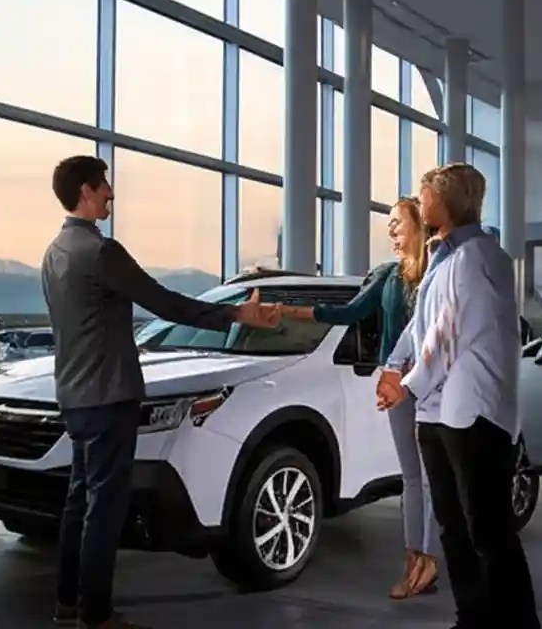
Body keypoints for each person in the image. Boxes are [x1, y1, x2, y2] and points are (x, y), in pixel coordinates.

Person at [42, 155, 281, 629]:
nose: (111, 192)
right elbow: (164, 303)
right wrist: (237, 316)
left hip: (73, 394)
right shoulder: (102, 252)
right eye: (105, 184)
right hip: (108, 395)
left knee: (78, 502)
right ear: (87, 192)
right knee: (104, 510)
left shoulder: (54, 252)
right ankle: (95, 614)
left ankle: (67, 603)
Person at [376, 163, 541, 629]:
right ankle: (472, 619)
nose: (419, 202)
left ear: (447, 201)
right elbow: (419, 326)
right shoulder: (443, 256)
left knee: (489, 531)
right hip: (438, 414)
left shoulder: (478, 256)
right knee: (453, 530)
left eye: (425, 195)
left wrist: (402, 387)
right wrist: (392, 366)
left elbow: (445, 335)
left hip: (475, 415)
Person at [278, 197, 440, 600]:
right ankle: (415, 561)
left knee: (434, 476)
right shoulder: (387, 276)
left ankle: (430, 560)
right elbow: (348, 313)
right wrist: (288, 312)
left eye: (396, 222)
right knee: (413, 478)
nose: (389, 230)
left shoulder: (439, 274)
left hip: (434, 385)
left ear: (419, 225)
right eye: (388, 224)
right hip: (396, 385)